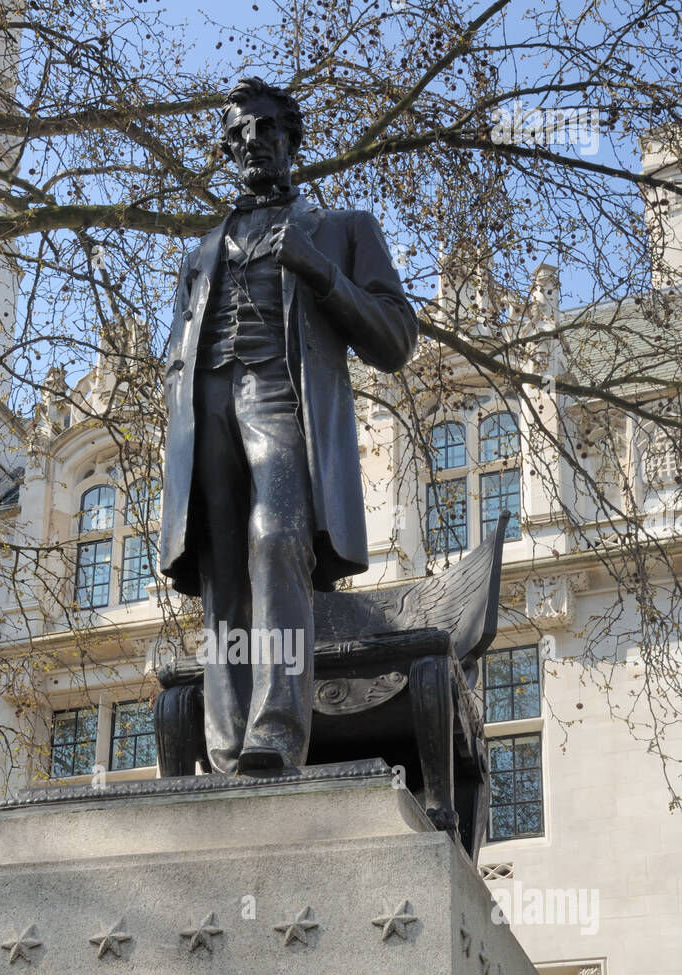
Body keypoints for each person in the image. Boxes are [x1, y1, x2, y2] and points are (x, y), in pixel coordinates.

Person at [160, 76, 418, 775]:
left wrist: (321, 273)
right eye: (240, 133)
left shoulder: (341, 228)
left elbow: (394, 341)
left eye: (267, 129)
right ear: (226, 147)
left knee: (275, 540)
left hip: (279, 393)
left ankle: (275, 729)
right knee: (221, 569)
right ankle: (225, 745)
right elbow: (177, 352)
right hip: (204, 406)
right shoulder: (198, 253)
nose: (253, 143)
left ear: (291, 139)